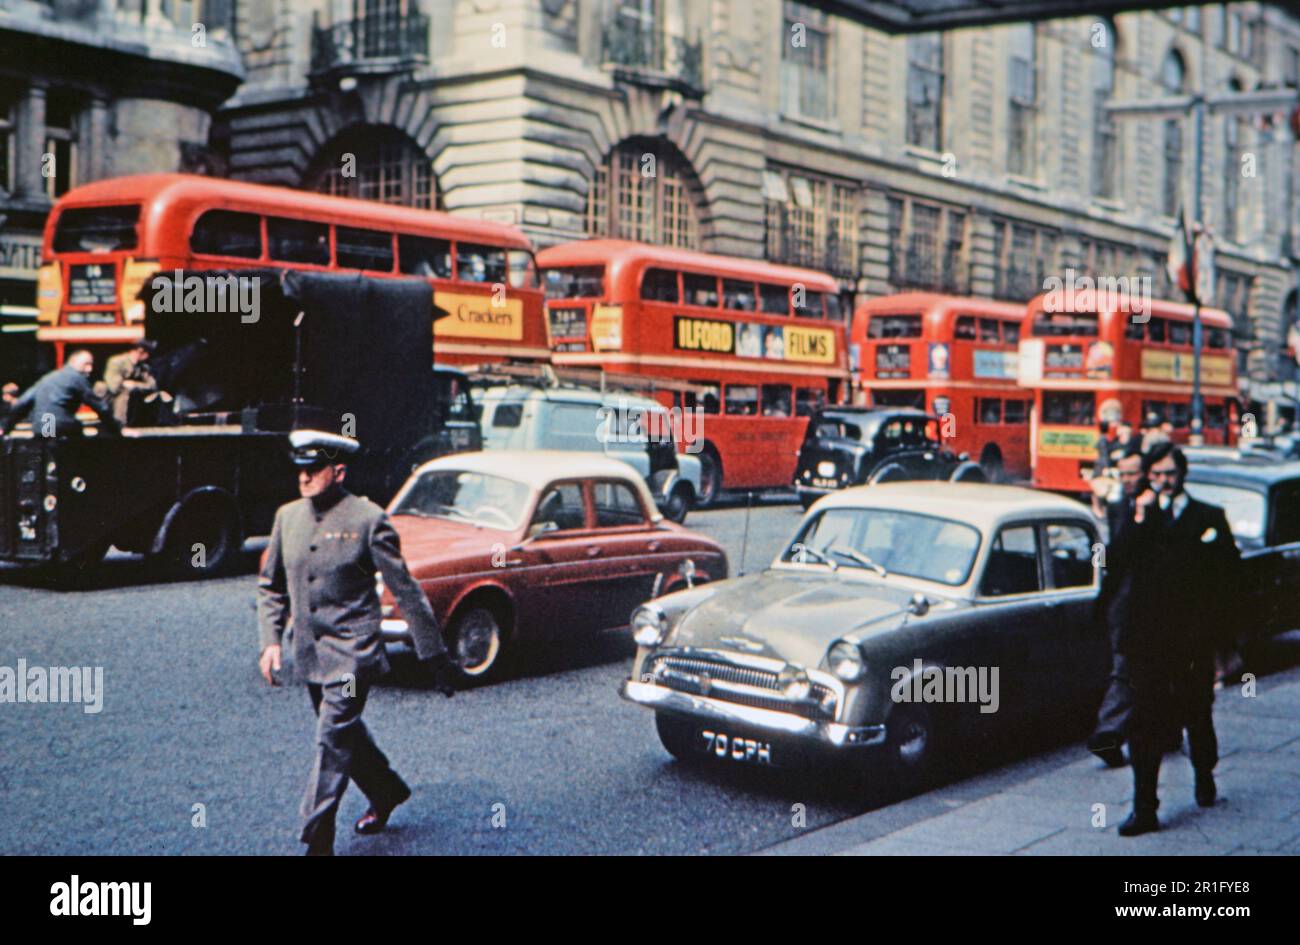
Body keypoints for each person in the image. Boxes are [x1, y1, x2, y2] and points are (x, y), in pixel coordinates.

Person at [257, 430, 459, 856]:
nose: (304, 477)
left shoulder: (368, 519)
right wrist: (270, 641)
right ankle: (385, 791)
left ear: (340, 471)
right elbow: (270, 587)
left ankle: (317, 841)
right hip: (310, 654)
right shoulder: (287, 517)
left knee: (331, 739)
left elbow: (406, 589)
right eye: (300, 469)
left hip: (353, 656)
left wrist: (433, 653)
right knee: (347, 735)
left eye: (314, 469)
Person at [1111, 443, 1240, 836]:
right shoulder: (1137, 515)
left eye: (1171, 473)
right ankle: (1144, 807)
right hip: (1148, 641)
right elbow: (1116, 563)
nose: (1164, 482)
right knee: (1142, 723)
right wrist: (1137, 518)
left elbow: (1229, 580)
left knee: (1197, 713)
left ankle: (1204, 773)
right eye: (1157, 475)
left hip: (1192, 641)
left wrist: (1227, 645)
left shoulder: (1208, 517)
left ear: (1183, 474)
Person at [1086, 447, 1145, 768]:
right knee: (1126, 667)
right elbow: (1113, 556)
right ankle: (1109, 731)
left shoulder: (1151, 507)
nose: (1127, 480)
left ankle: (1112, 730)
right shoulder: (1119, 505)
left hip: (1149, 602)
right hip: (1124, 602)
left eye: (1132, 473)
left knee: (1132, 669)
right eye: (1122, 474)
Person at [0, 349, 119, 437]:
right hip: (61, 427)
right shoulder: (76, 378)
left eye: (91, 365)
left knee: (48, 451)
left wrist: (5, 427)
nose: (90, 369)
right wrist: (116, 430)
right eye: (86, 364)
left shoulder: (47, 378)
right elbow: (100, 407)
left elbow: (22, 403)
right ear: (72, 362)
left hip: (43, 427)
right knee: (79, 448)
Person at [102, 340, 158, 427]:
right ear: (140, 351)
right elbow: (114, 387)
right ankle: (119, 424)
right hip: (109, 397)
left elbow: (152, 386)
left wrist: (134, 384)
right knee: (124, 391)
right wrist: (126, 384)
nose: (148, 356)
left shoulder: (143, 367)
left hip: (129, 403)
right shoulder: (117, 362)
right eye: (147, 353)